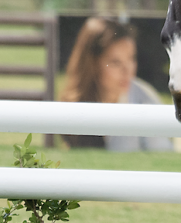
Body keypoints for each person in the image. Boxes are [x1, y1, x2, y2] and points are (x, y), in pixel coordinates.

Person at [60, 17, 173, 151]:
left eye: (131, 59)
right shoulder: (73, 107)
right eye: (115, 62)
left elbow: (162, 156)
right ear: (92, 63)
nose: (128, 71)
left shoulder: (145, 101)